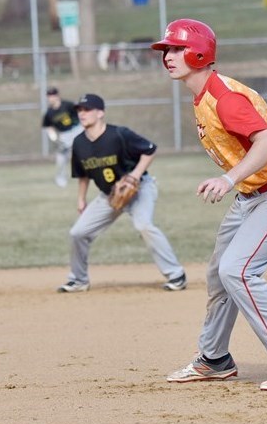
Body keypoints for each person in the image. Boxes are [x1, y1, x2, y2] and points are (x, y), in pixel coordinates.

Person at [151, 19, 267, 391]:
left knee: (238, 270)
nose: (168, 57)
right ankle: (214, 358)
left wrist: (227, 179)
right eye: (166, 51)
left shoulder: (224, 97)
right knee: (219, 276)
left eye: (176, 49)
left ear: (198, 52)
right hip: (250, 198)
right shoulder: (204, 95)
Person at [57, 93, 187, 293]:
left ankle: (176, 274)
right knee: (77, 233)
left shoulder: (119, 134)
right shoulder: (79, 143)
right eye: (79, 110)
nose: (82, 114)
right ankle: (78, 279)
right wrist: (81, 199)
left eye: (87, 109)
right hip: (109, 196)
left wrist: (134, 175)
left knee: (144, 225)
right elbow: (82, 174)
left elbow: (150, 149)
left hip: (140, 188)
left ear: (100, 112)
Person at [41, 86, 84, 187]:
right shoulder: (49, 113)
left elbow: (81, 113)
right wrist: (54, 137)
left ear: (57, 96)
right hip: (64, 135)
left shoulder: (67, 105)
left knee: (85, 151)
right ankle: (61, 179)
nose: (51, 98)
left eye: (53, 95)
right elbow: (48, 126)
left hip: (76, 129)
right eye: (49, 96)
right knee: (61, 158)